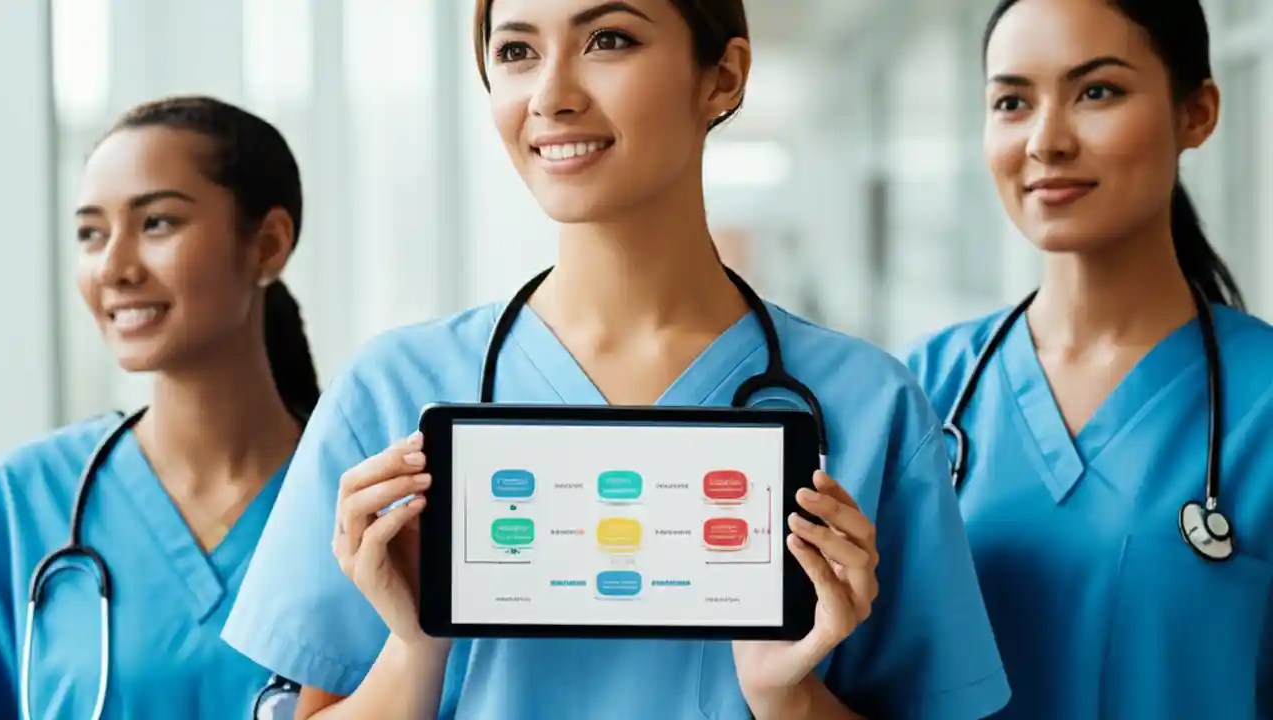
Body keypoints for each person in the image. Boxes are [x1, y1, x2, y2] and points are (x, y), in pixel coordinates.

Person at [222, 1, 1010, 718]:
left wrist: (788, 696)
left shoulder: (865, 403)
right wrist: (416, 646)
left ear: (722, 76)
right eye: (518, 52)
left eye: (608, 40)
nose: (551, 94)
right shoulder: (393, 392)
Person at [904, 1, 1273, 717]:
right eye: (1011, 101)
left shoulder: (1262, 401)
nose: (1046, 140)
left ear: (1195, 114)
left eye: (1097, 92)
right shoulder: (926, 388)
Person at [0, 96, 319, 719]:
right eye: (91, 233)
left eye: (157, 223)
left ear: (269, 244)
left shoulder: (359, 502)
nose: (113, 267)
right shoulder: (23, 501)